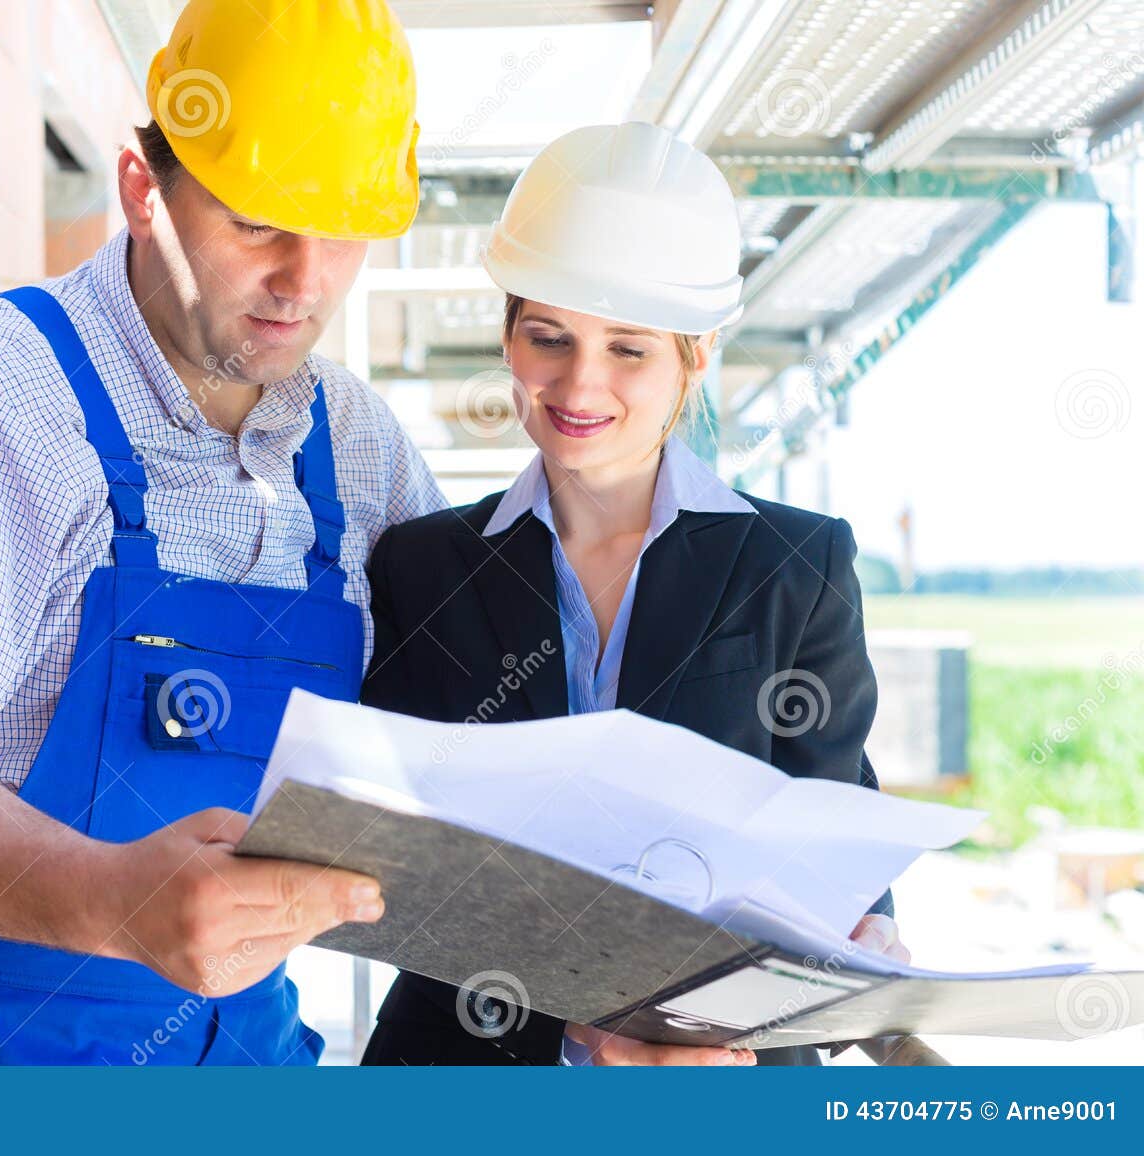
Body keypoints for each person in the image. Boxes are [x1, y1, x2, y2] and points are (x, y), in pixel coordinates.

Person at [0, 0, 444, 1066]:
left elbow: (458, 744)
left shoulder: (360, 449)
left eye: (343, 232)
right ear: (144, 190)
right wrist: (113, 901)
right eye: (258, 223)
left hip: (239, 1053)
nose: (304, 281)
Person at [356, 122, 910, 1067]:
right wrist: (585, 1013)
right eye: (549, 338)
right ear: (507, 335)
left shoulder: (797, 566)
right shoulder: (421, 567)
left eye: (629, 350)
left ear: (695, 356)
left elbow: (830, 826)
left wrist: (862, 938)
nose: (580, 382)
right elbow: (400, 867)